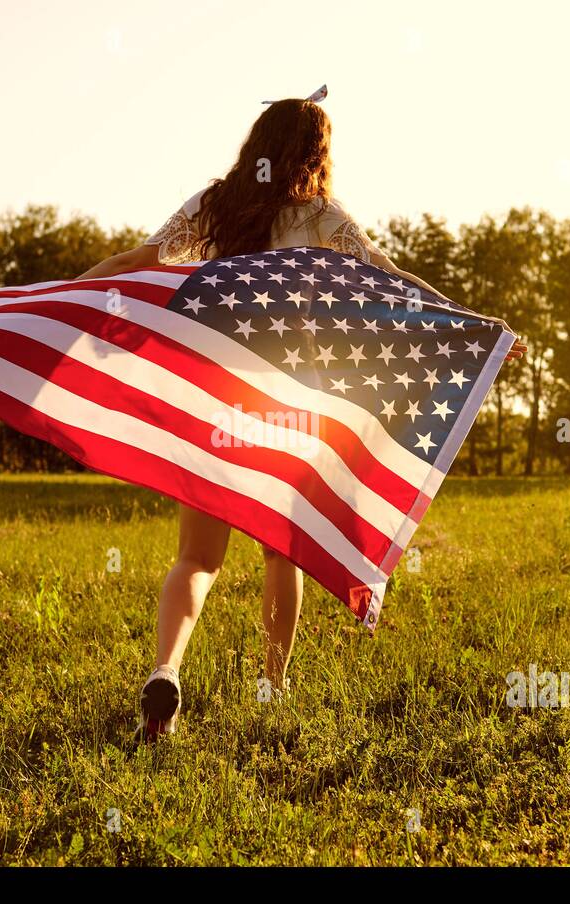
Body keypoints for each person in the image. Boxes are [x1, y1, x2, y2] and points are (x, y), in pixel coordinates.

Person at [76, 93, 526, 741]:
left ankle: (168, 669)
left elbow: (134, 264)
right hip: (281, 399)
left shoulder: (212, 205)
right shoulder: (319, 215)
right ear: (316, 150)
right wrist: (475, 325)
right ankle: (273, 686)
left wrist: (58, 297)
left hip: (210, 392)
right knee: (279, 554)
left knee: (197, 558)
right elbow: (389, 277)